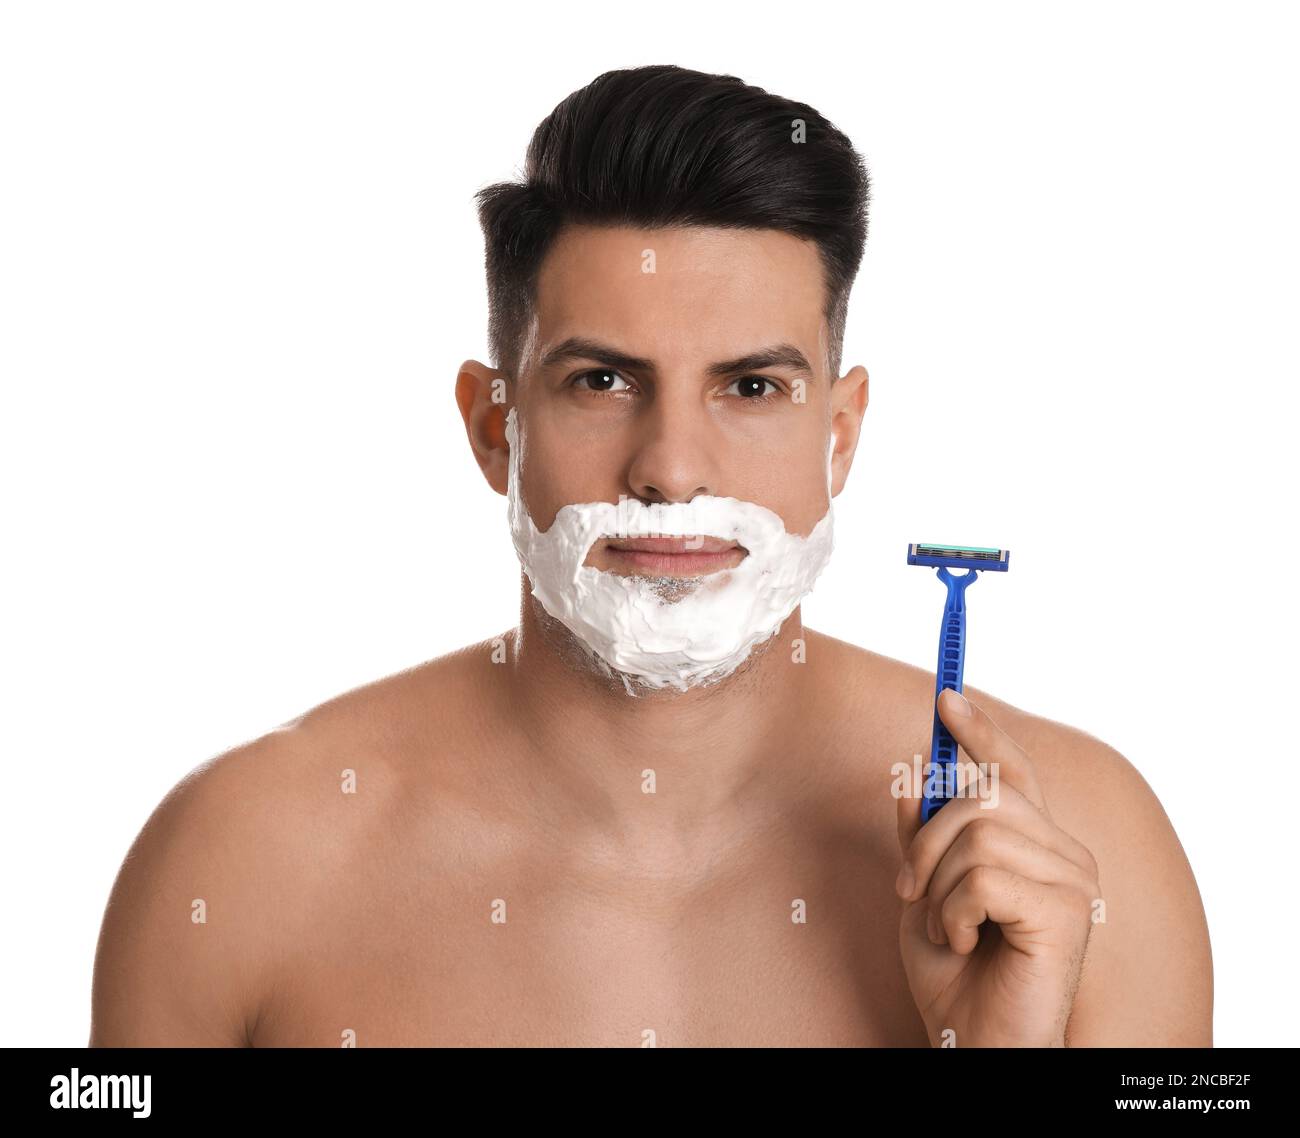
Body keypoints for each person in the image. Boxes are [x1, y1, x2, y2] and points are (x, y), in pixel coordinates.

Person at [89, 64, 1212, 1047]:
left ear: (841, 434)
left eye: (752, 386)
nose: (672, 467)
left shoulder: (1079, 854)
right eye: (602, 380)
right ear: (494, 427)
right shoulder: (238, 862)